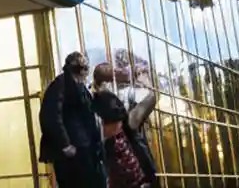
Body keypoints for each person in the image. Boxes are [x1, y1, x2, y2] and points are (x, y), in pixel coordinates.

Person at [39, 52, 104, 188]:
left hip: (83, 148)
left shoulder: (76, 86)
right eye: (85, 68)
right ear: (79, 69)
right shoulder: (61, 85)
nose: (87, 72)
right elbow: (51, 116)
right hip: (73, 151)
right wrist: (65, 144)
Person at [93, 84, 158, 187]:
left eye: (119, 122)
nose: (117, 126)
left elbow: (151, 97)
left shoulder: (128, 129)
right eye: (112, 123)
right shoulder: (98, 148)